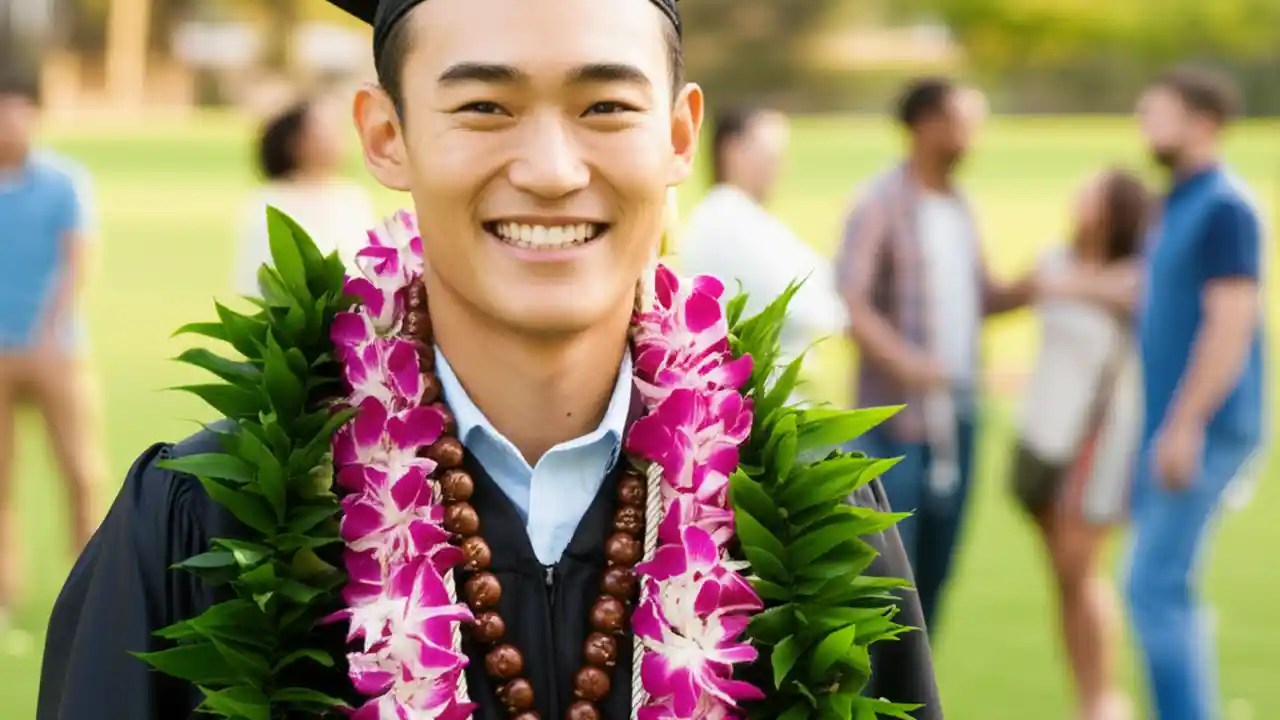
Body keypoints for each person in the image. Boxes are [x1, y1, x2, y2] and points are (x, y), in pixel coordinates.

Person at [38, 2, 941, 719]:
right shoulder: (208, 525)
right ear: (386, 136)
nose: (550, 168)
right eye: (484, 107)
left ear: (677, 137)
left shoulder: (810, 524)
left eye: (604, 107)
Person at [835, 77, 1034, 631]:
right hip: (897, 425)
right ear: (925, 126)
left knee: (940, 573)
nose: (973, 138)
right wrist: (909, 365)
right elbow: (851, 303)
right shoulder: (881, 203)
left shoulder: (959, 206)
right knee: (893, 582)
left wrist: (1036, 286)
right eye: (963, 123)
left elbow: (982, 298)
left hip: (959, 419)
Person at [1128, 67, 1265, 720]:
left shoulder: (1226, 207)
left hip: (1205, 425)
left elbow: (1231, 322)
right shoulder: (1178, 201)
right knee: (1162, 586)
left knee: (1153, 586)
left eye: (1158, 112)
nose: (1144, 124)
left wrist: (1185, 424)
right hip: (1173, 423)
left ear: (1203, 121)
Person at [1014, 170, 1149, 720]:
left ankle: (1102, 698)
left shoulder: (1135, 277)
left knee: (1081, 571)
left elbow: (1130, 294)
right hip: (1042, 437)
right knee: (1064, 578)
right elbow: (1012, 292)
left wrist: (1056, 285)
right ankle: (1085, 694)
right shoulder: (1055, 259)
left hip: (1095, 445)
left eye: (1094, 192)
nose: (1080, 195)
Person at [0, 74, 106, 623]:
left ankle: (90, 587)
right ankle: (5, 591)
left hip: (57, 349)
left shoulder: (64, 181)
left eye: (21, 112)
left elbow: (78, 259)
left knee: (80, 469)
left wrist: (47, 331)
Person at [682, 106, 846, 367]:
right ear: (733, 150)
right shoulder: (727, 221)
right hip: (754, 389)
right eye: (769, 156)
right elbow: (806, 304)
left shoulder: (745, 218)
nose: (778, 168)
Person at [234, 97, 375, 296]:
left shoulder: (353, 197)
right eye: (324, 131)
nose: (336, 138)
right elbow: (255, 277)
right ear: (295, 143)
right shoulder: (268, 201)